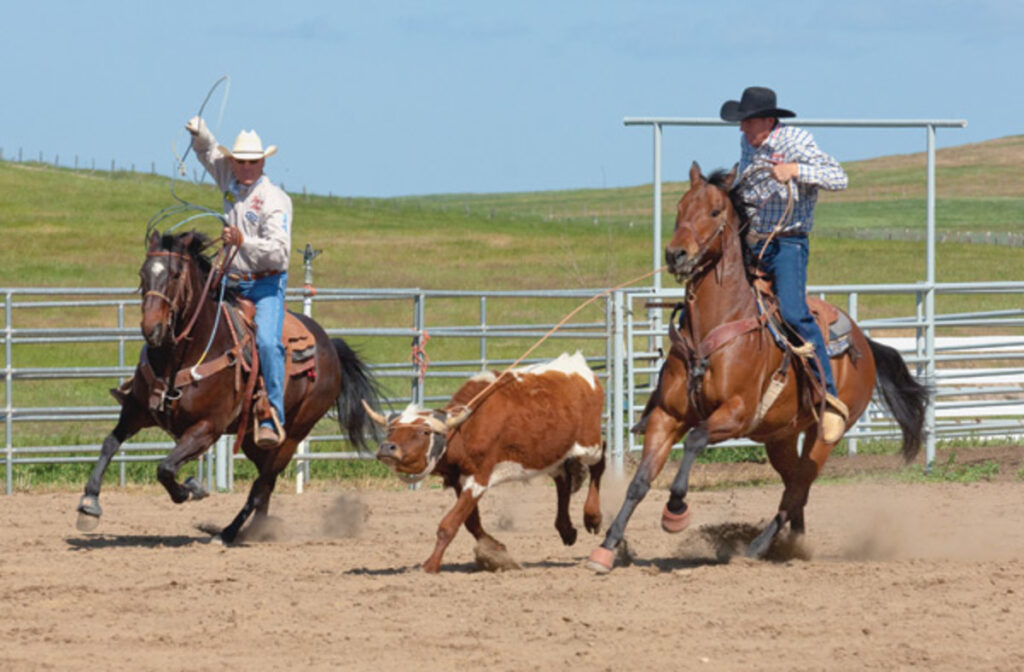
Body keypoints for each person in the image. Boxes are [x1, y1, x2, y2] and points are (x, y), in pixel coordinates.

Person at [720, 86, 850, 443]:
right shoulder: (749, 144)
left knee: (793, 312)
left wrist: (795, 169)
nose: (741, 129)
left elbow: (839, 178)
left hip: (788, 242)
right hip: (753, 241)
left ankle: (828, 397)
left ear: (766, 120)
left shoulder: (795, 139)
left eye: (746, 122)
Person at [185, 117, 292, 448]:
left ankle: (272, 413)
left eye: (252, 162)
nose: (245, 167)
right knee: (185, 313)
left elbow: (280, 253)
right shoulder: (229, 180)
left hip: (265, 285)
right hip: (229, 278)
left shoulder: (274, 199)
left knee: (269, 345)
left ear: (263, 162)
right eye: (241, 161)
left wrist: (243, 241)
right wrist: (200, 132)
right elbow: (208, 154)